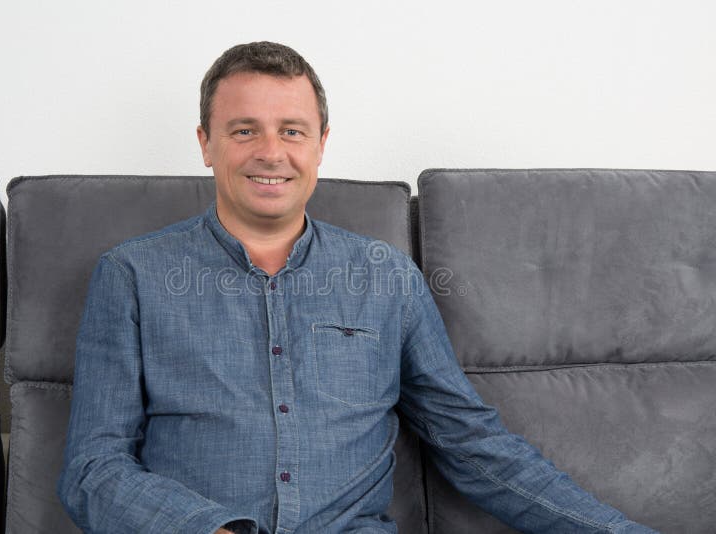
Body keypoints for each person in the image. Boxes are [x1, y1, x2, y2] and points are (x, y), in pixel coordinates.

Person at [57, 41, 657, 534]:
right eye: (244, 130)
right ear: (205, 143)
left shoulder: (388, 277)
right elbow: (92, 469)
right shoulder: (132, 275)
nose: (271, 152)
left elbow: (473, 443)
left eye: (292, 131)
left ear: (321, 143)